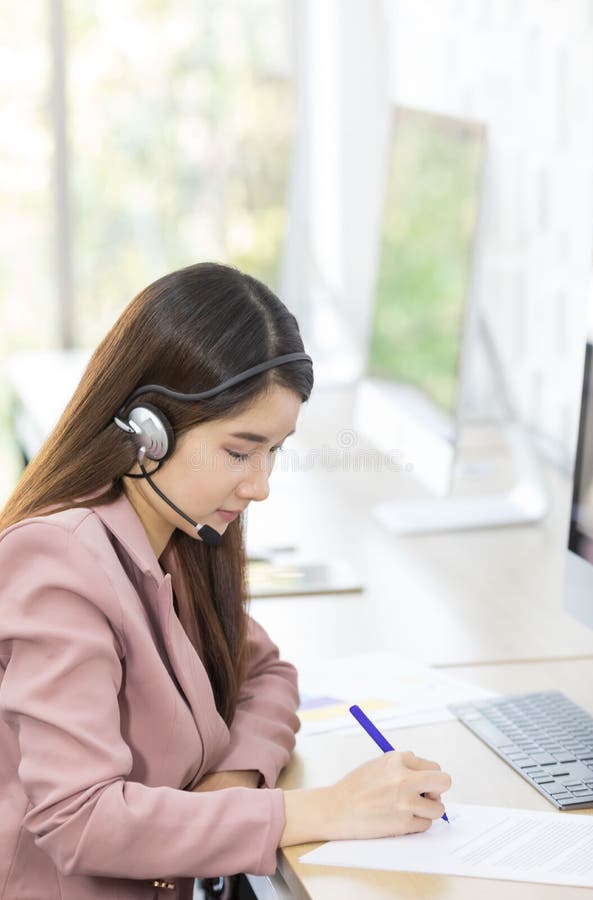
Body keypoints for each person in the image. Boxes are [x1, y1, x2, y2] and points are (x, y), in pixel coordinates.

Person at [0, 262, 451, 900]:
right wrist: (319, 810)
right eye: (240, 451)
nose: (260, 485)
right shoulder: (56, 563)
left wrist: (234, 780)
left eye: (274, 451)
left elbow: (266, 674)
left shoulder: (180, 541)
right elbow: (78, 821)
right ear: (147, 431)